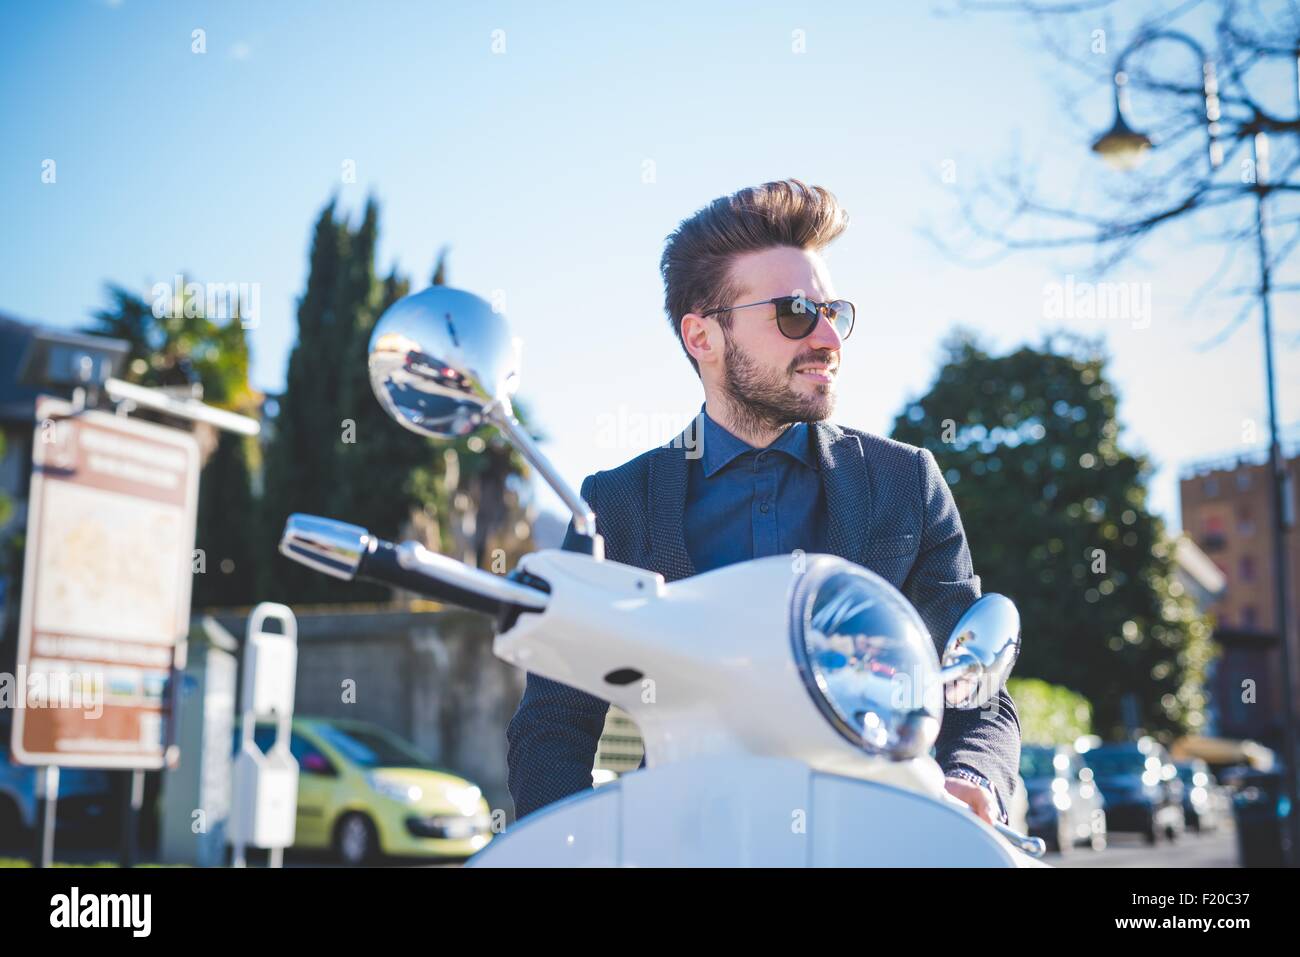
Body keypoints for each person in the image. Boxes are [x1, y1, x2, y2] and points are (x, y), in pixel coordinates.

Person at [506, 178, 1020, 827]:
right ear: (703, 337)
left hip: (879, 841)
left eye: (835, 313)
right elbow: (556, 721)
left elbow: (975, 695)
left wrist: (973, 775)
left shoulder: (907, 480)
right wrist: (569, 845)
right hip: (682, 846)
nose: (829, 338)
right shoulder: (617, 502)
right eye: (797, 312)